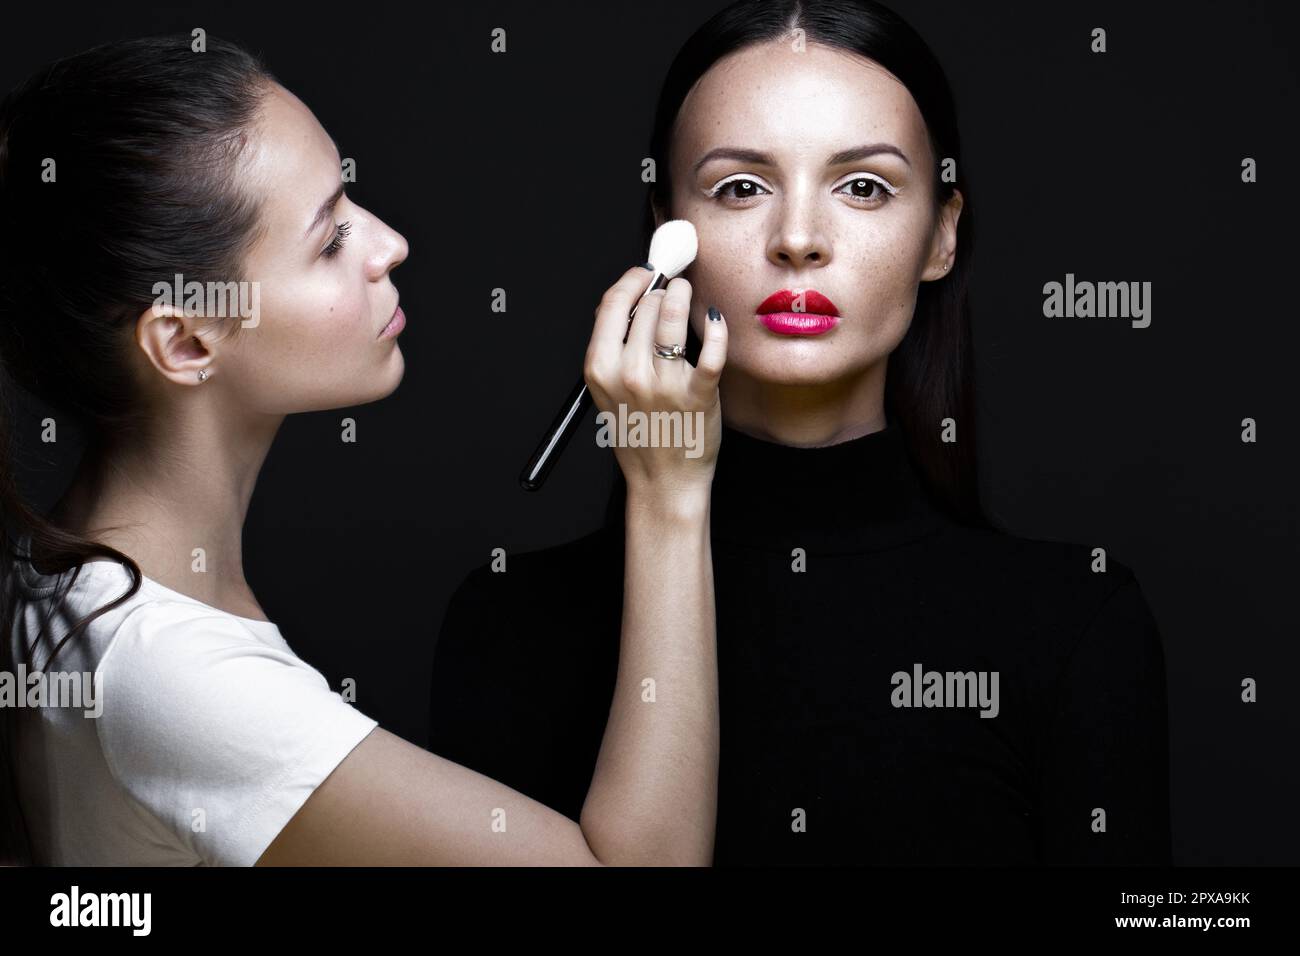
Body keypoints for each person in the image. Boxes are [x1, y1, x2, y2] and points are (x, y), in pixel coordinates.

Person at [428, 0, 1173, 865]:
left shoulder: (1076, 624)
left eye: (864, 186)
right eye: (741, 187)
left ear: (942, 233)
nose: (798, 241)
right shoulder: (511, 626)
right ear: (664, 232)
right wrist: (665, 504)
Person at [0, 34, 728, 866]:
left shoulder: (65, 574)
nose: (388, 245)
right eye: (330, 240)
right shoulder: (176, 680)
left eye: (352, 205)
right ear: (189, 341)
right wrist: (669, 496)